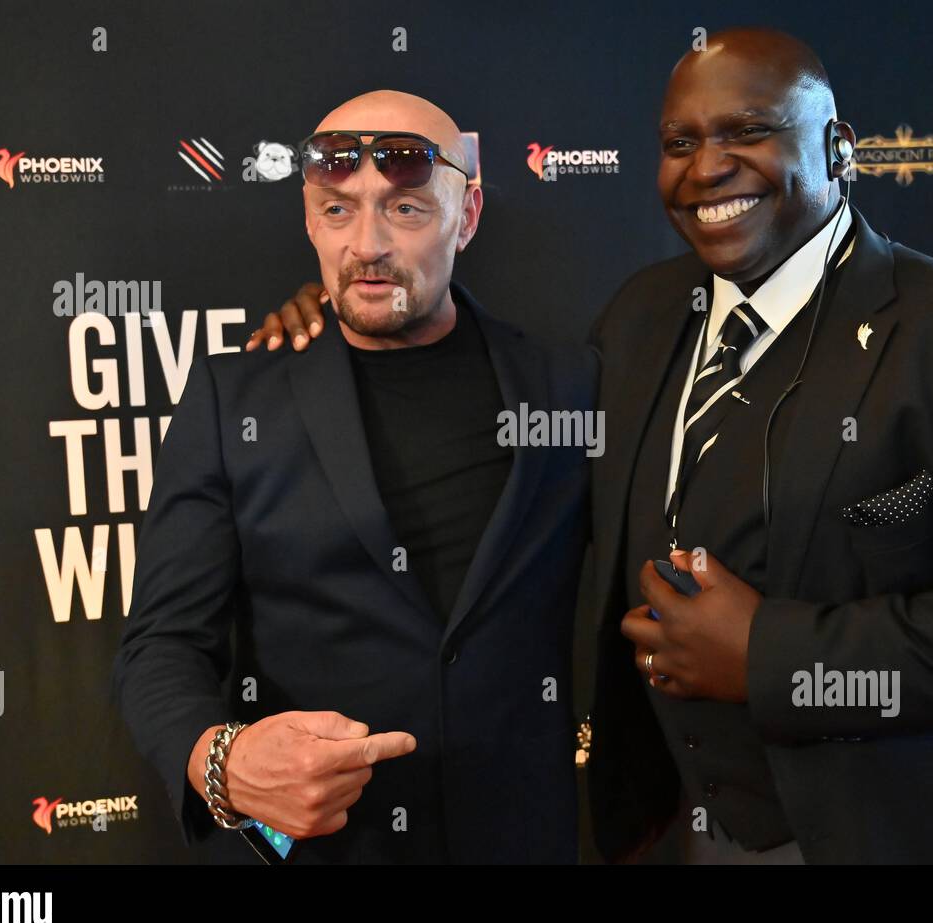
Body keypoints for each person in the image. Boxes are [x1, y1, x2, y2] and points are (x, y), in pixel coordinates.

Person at [258, 30, 933, 864]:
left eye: (748, 131)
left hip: (931, 838)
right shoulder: (642, 317)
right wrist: (347, 306)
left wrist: (774, 655)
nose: (707, 167)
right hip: (688, 836)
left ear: (838, 147)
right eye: (678, 142)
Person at [112, 91, 596, 864]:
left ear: (466, 215)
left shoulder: (571, 386)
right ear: (309, 217)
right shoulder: (230, 400)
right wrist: (224, 763)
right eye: (338, 210)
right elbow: (161, 646)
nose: (366, 244)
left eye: (405, 209)